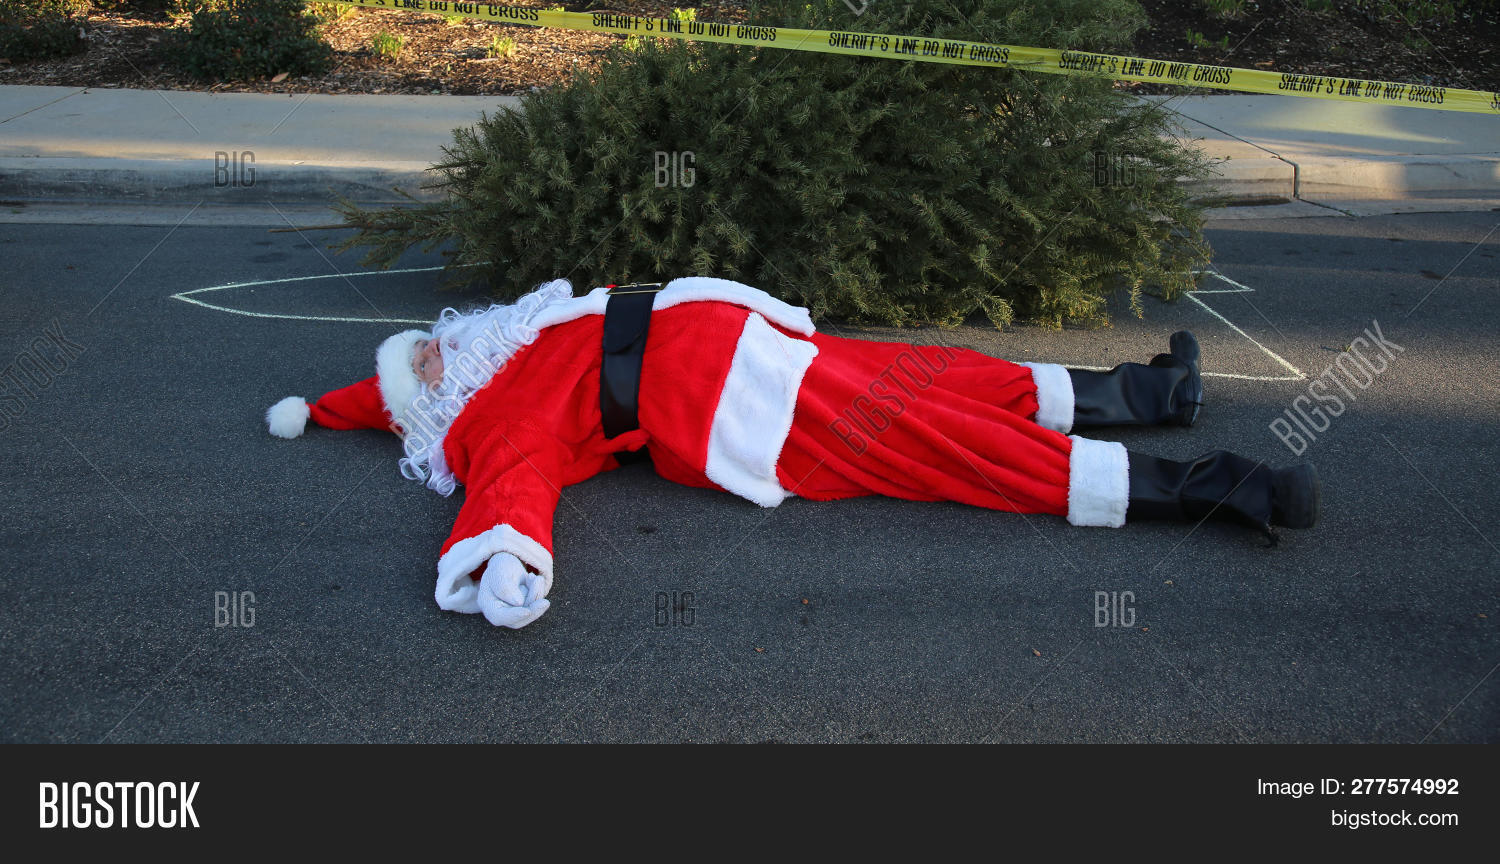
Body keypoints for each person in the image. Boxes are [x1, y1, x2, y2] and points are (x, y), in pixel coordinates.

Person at [266, 277, 1319, 630]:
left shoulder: (527, 326)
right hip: (731, 410)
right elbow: (512, 491)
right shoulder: (490, 419)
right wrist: (507, 564)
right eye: (426, 357)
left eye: (431, 336)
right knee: (947, 445)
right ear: (433, 396)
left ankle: (1150, 393)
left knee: (934, 375)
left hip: (750, 348)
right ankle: (1220, 491)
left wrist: (317, 407)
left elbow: (344, 402)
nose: (441, 340)